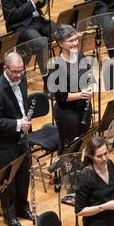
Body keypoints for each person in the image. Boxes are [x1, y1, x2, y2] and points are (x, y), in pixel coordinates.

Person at [0, 52, 34, 226]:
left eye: (21, 71)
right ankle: (10, 213)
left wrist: (24, 122)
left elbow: (21, 104)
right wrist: (17, 124)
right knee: (9, 181)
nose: (18, 75)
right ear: (5, 69)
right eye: (14, 72)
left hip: (22, 138)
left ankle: (23, 207)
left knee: (24, 174)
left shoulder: (22, 79)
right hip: (5, 142)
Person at [45, 24, 94, 156]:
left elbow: (87, 76)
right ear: (60, 43)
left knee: (82, 143)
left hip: (84, 107)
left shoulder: (80, 56)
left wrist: (89, 88)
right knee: (68, 148)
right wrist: (81, 94)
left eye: (76, 39)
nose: (75, 43)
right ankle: (64, 175)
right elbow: (61, 96)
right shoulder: (56, 66)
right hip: (67, 112)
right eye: (71, 41)